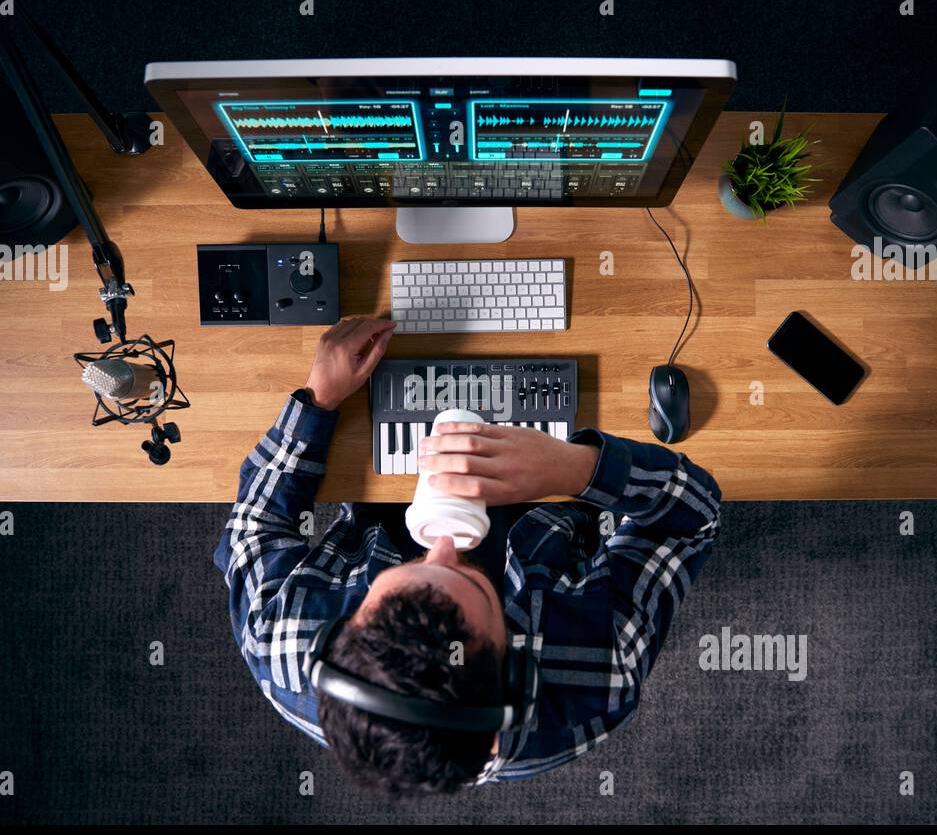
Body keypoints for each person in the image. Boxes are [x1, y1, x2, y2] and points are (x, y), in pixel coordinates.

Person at [215, 316, 722, 797]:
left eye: (409, 571)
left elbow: (254, 526)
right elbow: (693, 518)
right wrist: (576, 470)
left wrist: (317, 401)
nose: (444, 545)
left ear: (341, 631)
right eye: (475, 582)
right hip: (553, 505)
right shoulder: (597, 678)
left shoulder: (284, 646)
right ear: (515, 665)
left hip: (382, 504)